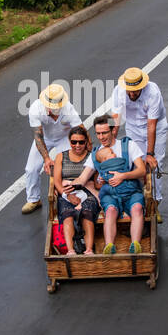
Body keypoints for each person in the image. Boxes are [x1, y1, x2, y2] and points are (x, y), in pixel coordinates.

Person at [69, 115, 146, 254]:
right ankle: (109, 246)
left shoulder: (128, 145)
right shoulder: (97, 154)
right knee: (110, 211)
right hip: (110, 192)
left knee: (137, 208)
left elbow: (142, 170)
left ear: (113, 131)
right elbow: (82, 178)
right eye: (98, 133)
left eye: (104, 132)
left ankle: (136, 245)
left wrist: (123, 176)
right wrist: (64, 186)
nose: (101, 137)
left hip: (130, 189)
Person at [110, 66, 168, 213]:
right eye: (130, 90)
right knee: (136, 165)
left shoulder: (153, 92)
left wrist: (150, 153)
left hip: (156, 127)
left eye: (136, 90)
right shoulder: (119, 91)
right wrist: (110, 144)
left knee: (154, 165)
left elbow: (151, 125)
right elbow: (116, 120)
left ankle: (155, 202)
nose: (132, 93)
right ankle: (138, 200)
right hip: (133, 128)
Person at [22, 83, 82, 214]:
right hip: (45, 139)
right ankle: (33, 199)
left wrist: (87, 149)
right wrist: (47, 159)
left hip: (64, 137)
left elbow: (80, 129)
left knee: (67, 167)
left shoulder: (68, 109)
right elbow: (38, 136)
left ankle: (69, 195)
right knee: (31, 168)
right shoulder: (35, 109)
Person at [52, 126, 99, 255]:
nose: (77, 145)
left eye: (81, 142)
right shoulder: (61, 157)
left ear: (86, 142)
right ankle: (71, 250)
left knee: (87, 213)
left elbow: (96, 181)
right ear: (69, 141)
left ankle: (89, 249)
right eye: (74, 142)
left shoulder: (91, 156)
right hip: (66, 192)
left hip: (87, 192)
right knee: (67, 214)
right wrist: (66, 195)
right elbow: (56, 181)